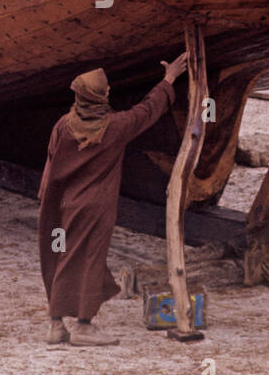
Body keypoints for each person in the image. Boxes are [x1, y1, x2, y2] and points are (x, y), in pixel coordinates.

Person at [37, 53, 188, 346]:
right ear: (105, 95)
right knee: (90, 261)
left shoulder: (62, 126)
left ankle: (55, 325)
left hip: (62, 204)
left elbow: (50, 165)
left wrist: (48, 202)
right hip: (96, 208)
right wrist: (169, 79)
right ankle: (83, 327)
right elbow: (147, 110)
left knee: (58, 256)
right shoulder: (116, 127)